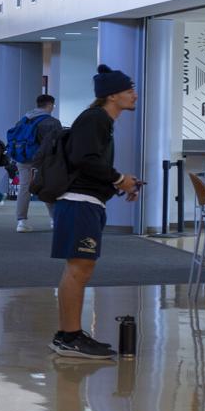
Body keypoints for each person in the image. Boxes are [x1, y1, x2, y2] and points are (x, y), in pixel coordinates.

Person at [50, 65, 140, 361]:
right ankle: (70, 337)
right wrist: (118, 179)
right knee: (79, 269)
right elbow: (84, 159)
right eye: (129, 90)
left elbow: (89, 162)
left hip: (86, 202)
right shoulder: (95, 119)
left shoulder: (100, 120)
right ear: (112, 95)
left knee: (78, 268)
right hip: (79, 203)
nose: (134, 95)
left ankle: (69, 334)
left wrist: (121, 183)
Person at [8, 94, 62, 232]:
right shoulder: (52, 122)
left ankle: (21, 222)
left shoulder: (24, 120)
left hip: (23, 158)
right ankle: (55, 220)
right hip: (43, 160)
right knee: (47, 187)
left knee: (24, 188)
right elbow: (56, 144)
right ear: (49, 105)